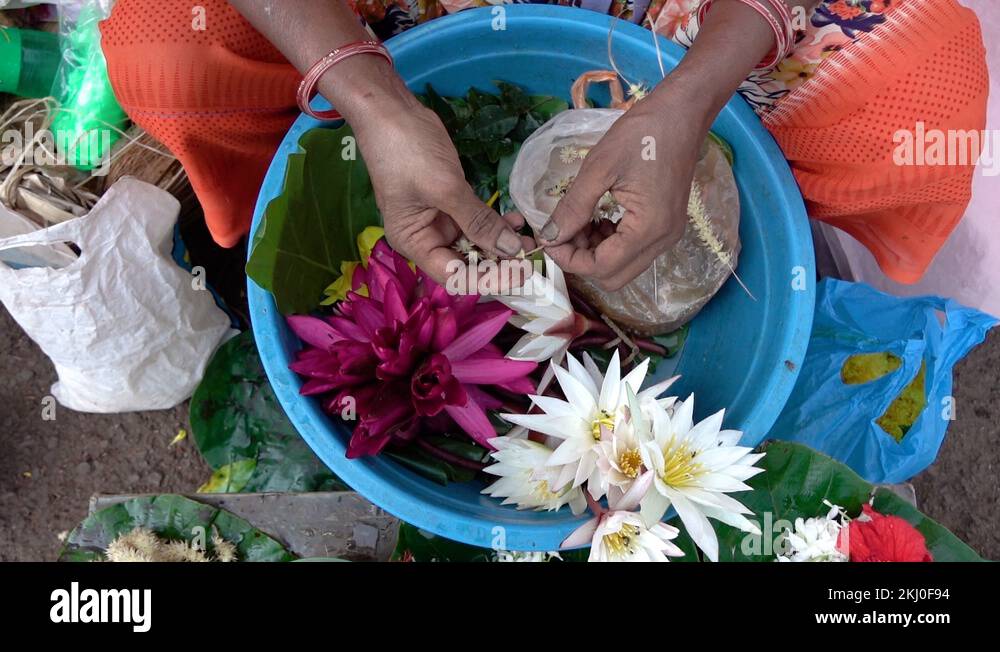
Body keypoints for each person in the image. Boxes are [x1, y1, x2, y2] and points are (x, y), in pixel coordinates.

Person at [99, 0, 987, 290]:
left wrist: (687, 97)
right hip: (398, 15)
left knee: (925, 80)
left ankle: (749, 201)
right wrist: (371, 101)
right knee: (166, 41)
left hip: (659, 19)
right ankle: (310, 186)